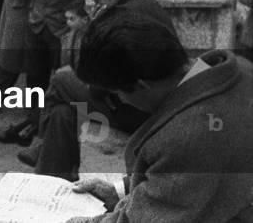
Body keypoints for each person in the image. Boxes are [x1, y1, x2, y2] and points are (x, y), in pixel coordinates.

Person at [65, 12, 253, 223]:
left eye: (118, 93)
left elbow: (151, 216)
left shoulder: (186, 136)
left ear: (141, 85)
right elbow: (184, 178)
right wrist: (118, 190)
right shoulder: (234, 70)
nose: (123, 101)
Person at [18, 0, 176, 181]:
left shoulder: (128, 14)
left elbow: (105, 84)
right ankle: (54, 175)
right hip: (136, 102)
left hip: (141, 109)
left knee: (60, 80)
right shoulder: (135, 4)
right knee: (63, 113)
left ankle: (43, 149)